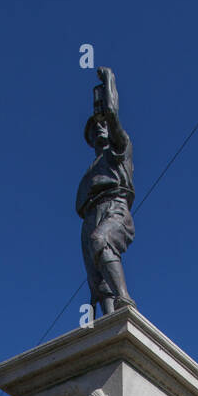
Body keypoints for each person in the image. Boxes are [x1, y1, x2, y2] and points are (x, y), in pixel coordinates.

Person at [77, 67, 136, 318]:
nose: (99, 129)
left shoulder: (120, 150)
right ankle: (108, 320)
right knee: (96, 282)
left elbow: (112, 114)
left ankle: (125, 298)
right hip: (90, 213)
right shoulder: (89, 172)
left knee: (101, 241)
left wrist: (110, 81)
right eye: (94, 128)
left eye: (102, 125)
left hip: (115, 205)